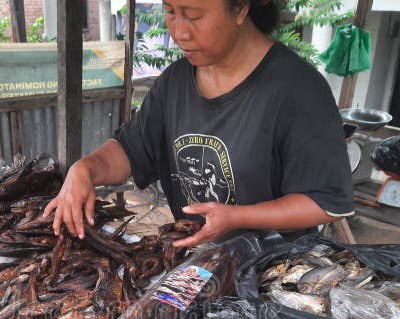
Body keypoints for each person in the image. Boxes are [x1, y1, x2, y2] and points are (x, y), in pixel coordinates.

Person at [45, 0, 353, 248]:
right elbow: (130, 149)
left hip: (274, 277)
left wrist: (238, 217)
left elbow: (323, 201)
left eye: (192, 15)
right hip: (199, 267)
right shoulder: (174, 81)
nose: (179, 32)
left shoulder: (298, 89)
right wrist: (84, 169)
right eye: (170, 11)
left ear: (241, 8)